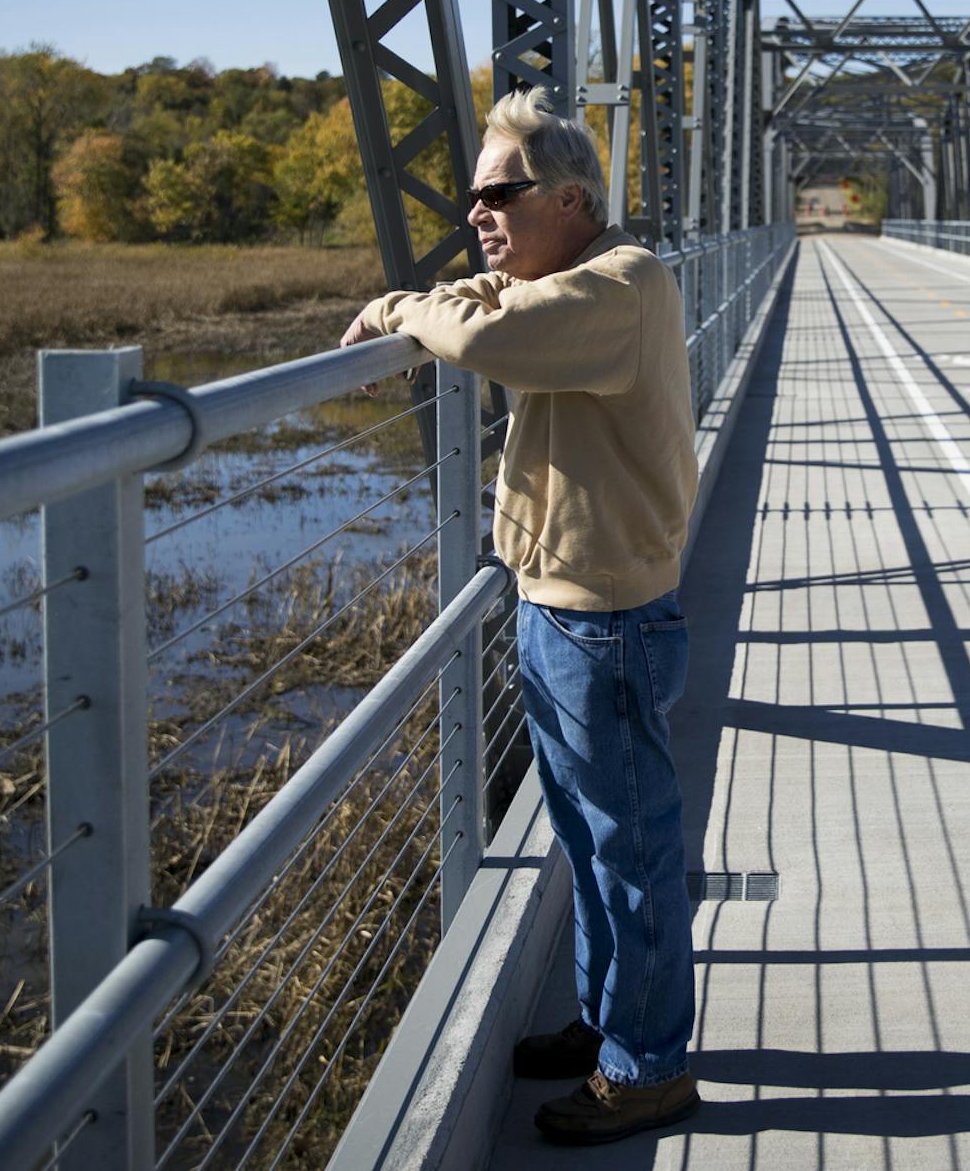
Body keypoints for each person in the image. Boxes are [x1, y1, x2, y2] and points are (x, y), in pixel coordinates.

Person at [339, 87, 700, 1146]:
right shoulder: (569, 281)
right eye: (475, 195)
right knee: (586, 841)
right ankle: (606, 1020)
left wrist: (397, 307)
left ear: (571, 197)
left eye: (500, 192)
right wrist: (441, 294)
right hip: (560, 605)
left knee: (628, 850)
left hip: (606, 619)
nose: (477, 213)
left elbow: (481, 330)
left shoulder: (621, 285)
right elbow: (489, 294)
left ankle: (648, 1067)